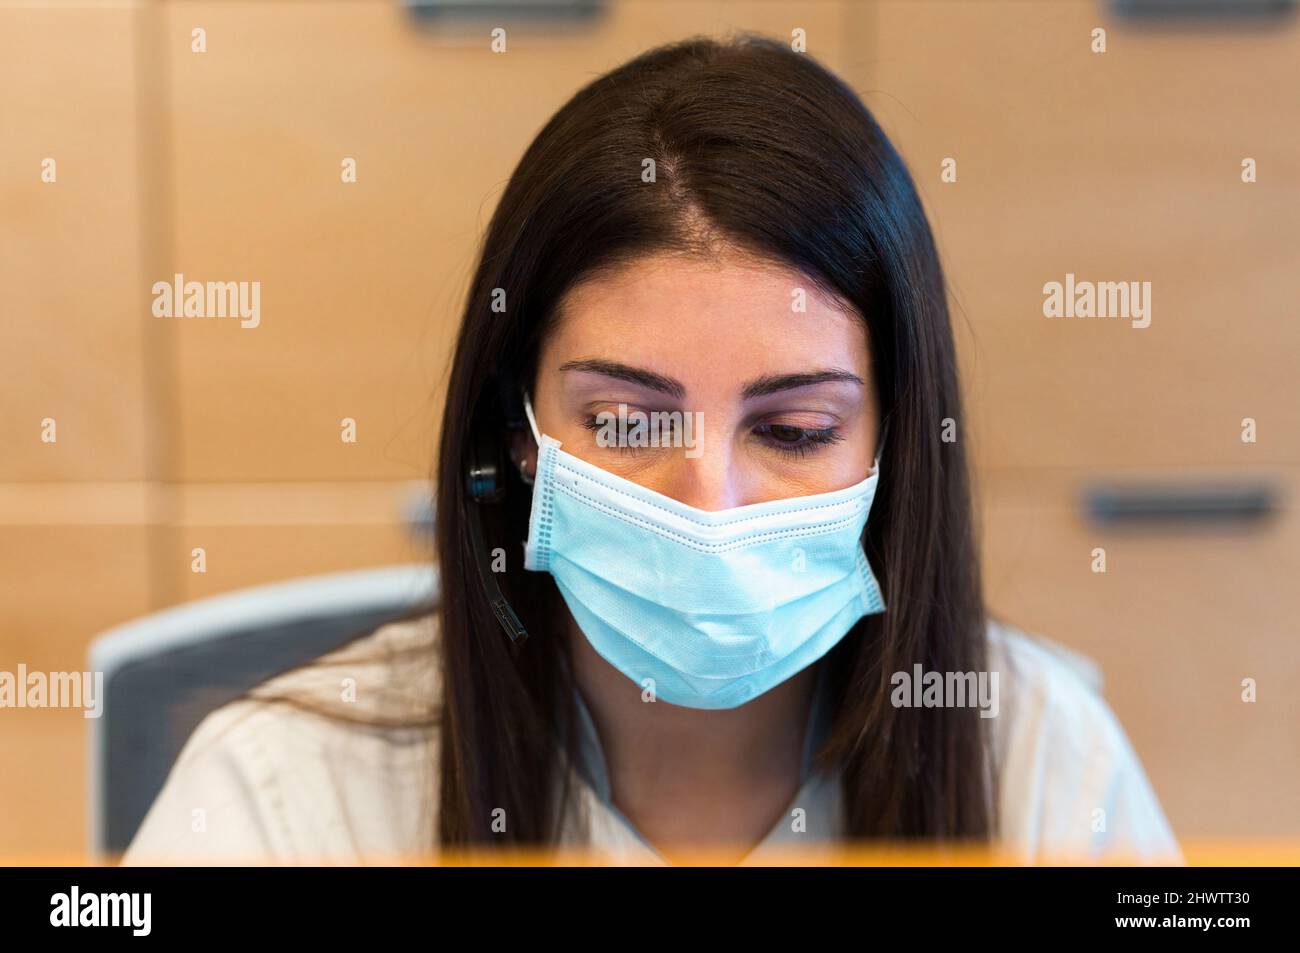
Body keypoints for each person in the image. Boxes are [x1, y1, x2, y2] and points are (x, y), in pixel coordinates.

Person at [122, 33, 1180, 867]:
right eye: (628, 422)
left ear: (894, 443)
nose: (706, 506)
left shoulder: (1043, 761)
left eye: (793, 430)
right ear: (518, 432)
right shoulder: (290, 790)